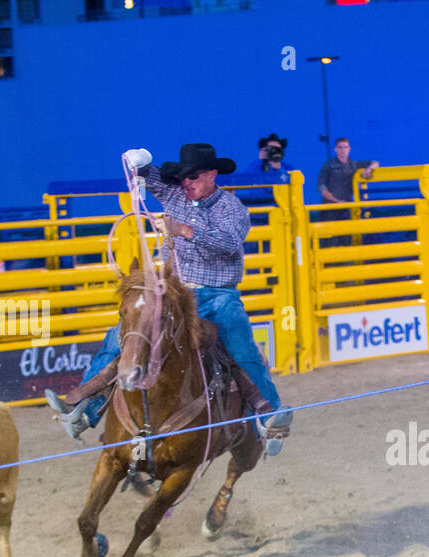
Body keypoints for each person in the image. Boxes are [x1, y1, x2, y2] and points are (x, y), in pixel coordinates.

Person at [46, 142, 293, 455]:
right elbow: (144, 171)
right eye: (184, 176)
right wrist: (139, 160)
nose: (187, 182)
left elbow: (230, 241)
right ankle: (85, 409)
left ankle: (268, 417)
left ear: (212, 174)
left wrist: (184, 229)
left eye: (194, 176)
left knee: (241, 345)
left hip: (217, 295)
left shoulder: (232, 209)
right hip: (174, 291)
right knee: (119, 337)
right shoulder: (175, 193)